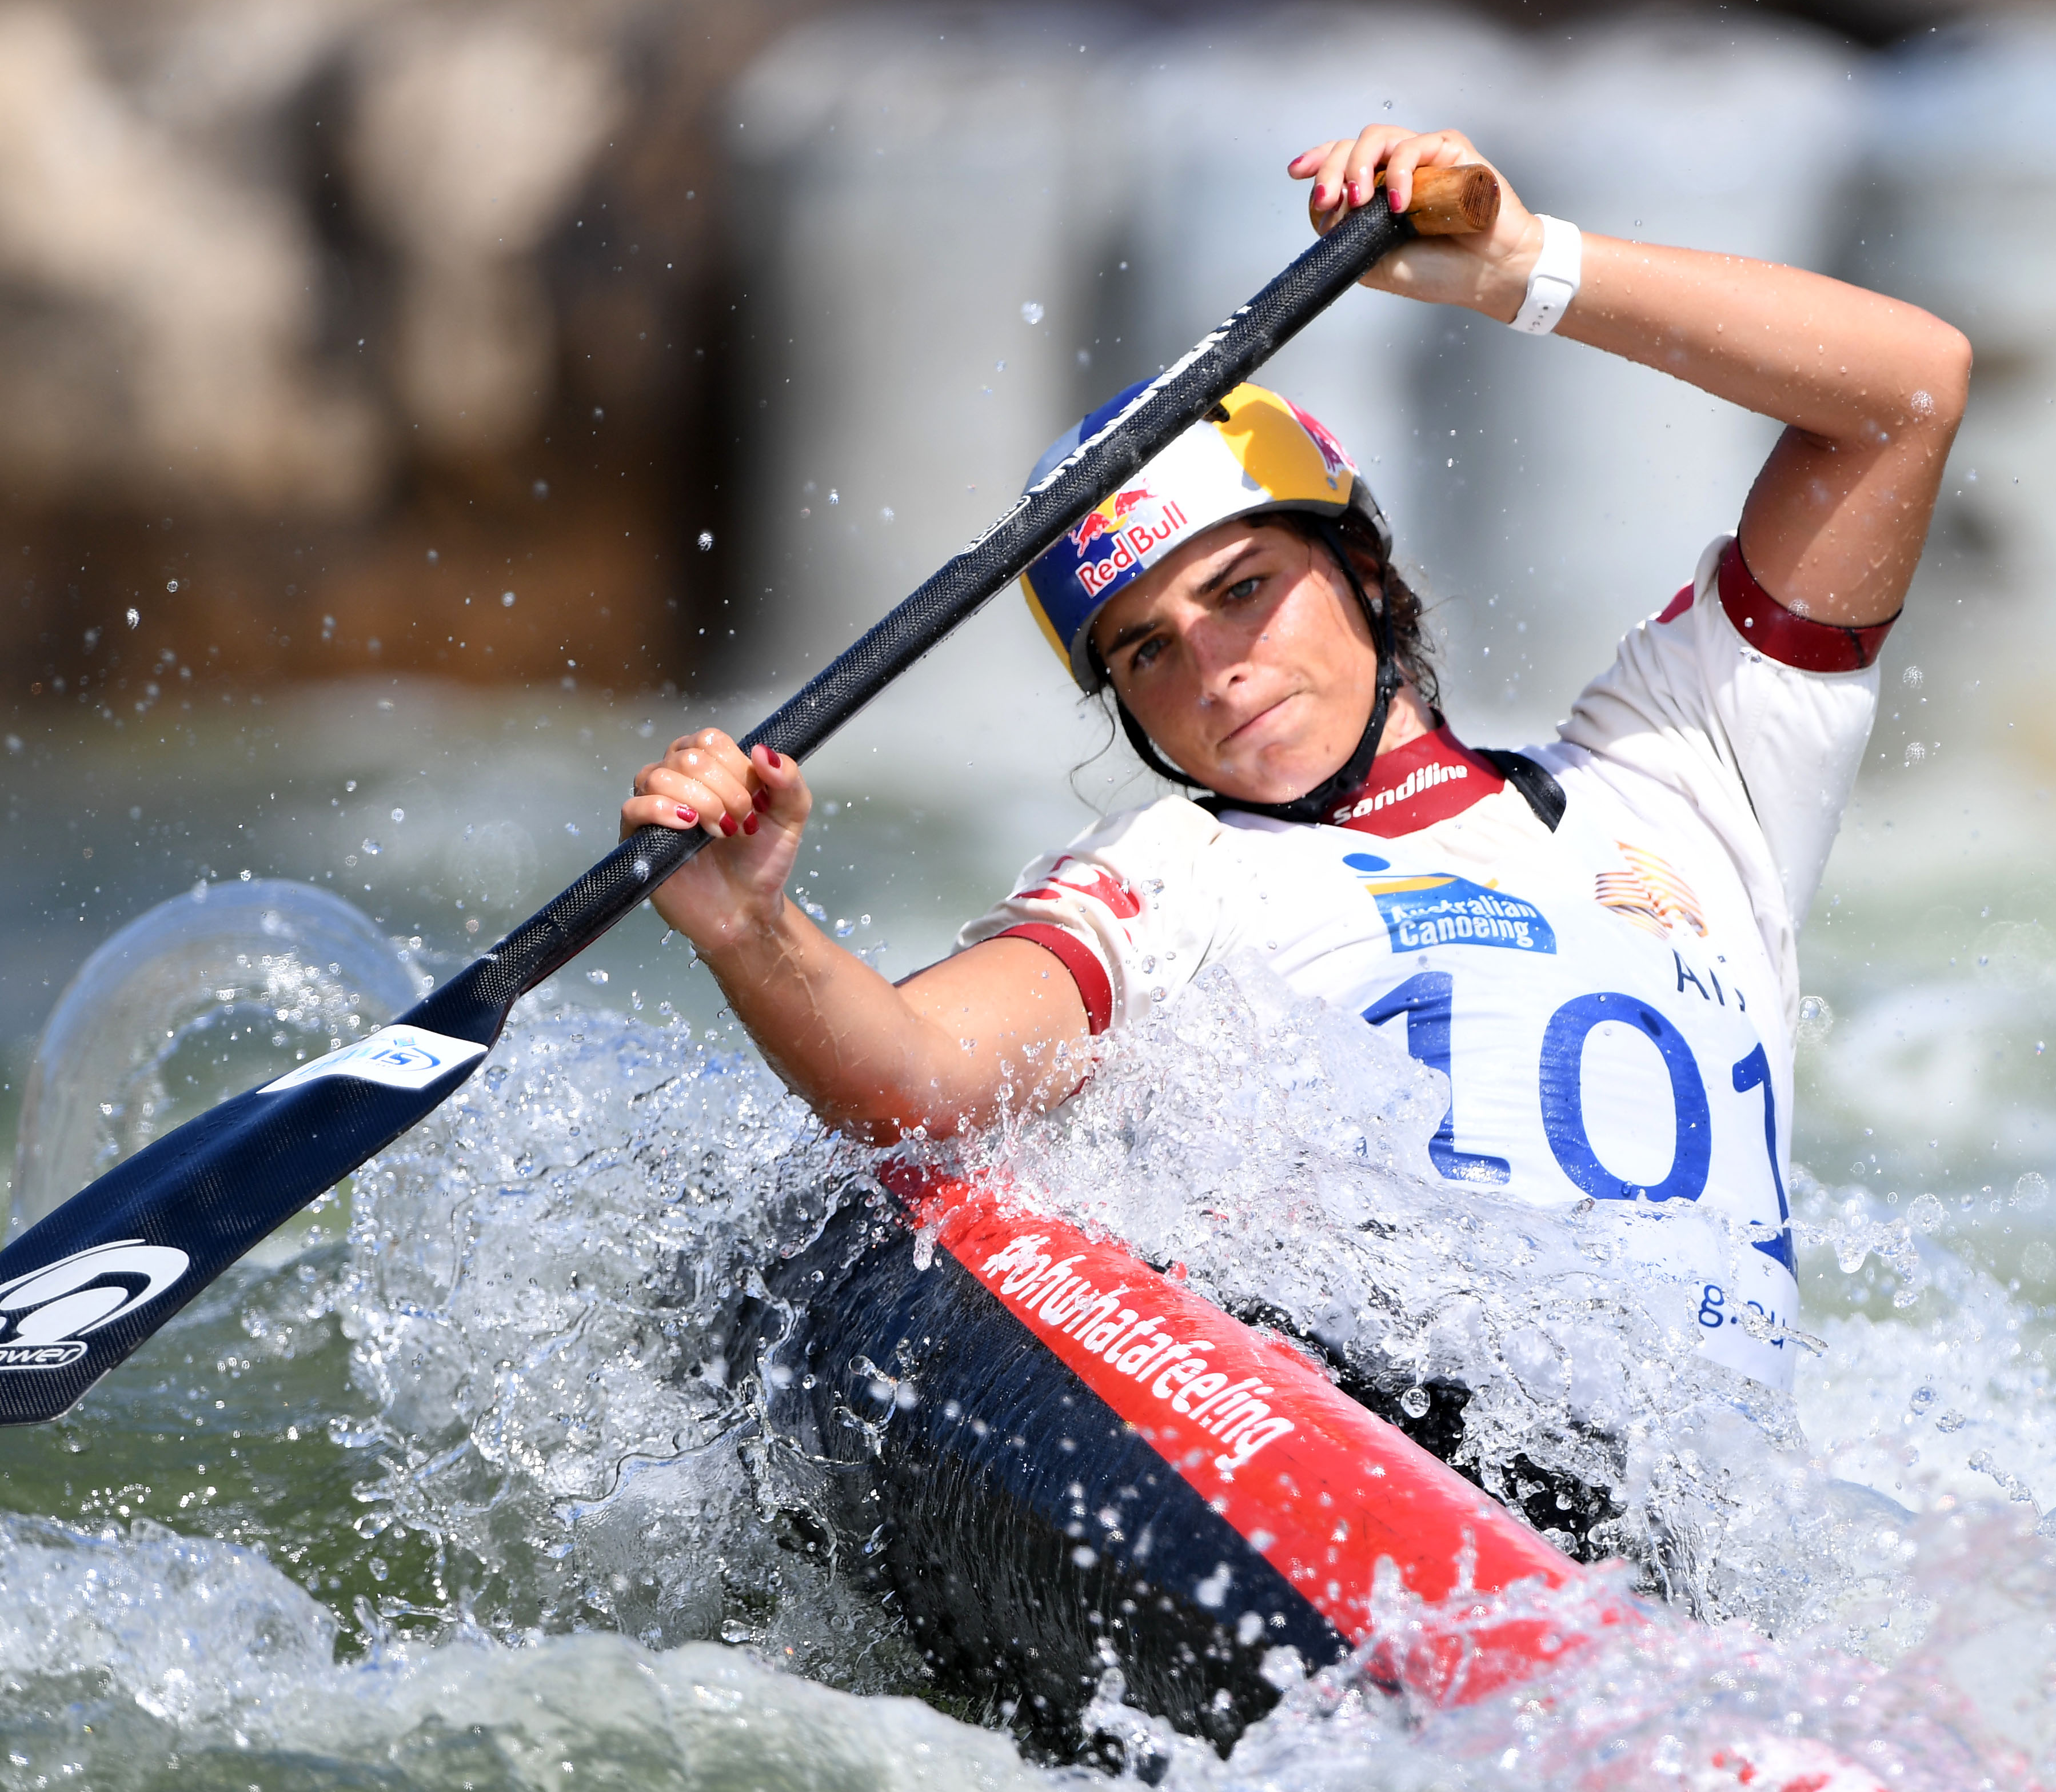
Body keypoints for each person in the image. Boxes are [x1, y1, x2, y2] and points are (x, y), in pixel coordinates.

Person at [622, 124, 1968, 1390]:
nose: (1214, 667)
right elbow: (922, 1078)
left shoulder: (1688, 768)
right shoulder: (1173, 872)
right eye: (1144, 651)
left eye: (1245, 587)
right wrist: (753, 929)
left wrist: (1519, 268)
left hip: (1691, 1539)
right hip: (1384, 1456)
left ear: (1365, 572)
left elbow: (1903, 397)